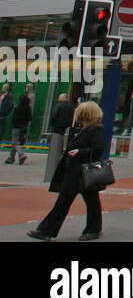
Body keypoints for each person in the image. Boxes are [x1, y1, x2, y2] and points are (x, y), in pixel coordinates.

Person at [27, 101, 107, 241]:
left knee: (78, 201)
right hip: (75, 172)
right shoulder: (84, 129)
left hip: (82, 172)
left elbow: (97, 150)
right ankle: (48, 231)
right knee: (77, 201)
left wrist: (79, 152)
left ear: (85, 114)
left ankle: (47, 231)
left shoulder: (96, 129)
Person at [46, 93, 76, 183]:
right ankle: (61, 152)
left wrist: (51, 123)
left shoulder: (58, 106)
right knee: (61, 138)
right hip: (66, 127)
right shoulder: (71, 106)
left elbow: (54, 114)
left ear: (62, 98)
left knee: (56, 140)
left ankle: (57, 154)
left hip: (57, 127)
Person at [6, 86, 32, 164]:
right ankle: (11, 158)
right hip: (24, 127)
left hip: (16, 127)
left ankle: (21, 154)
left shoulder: (17, 108)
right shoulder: (28, 108)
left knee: (15, 143)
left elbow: (14, 119)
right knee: (17, 142)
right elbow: (30, 118)